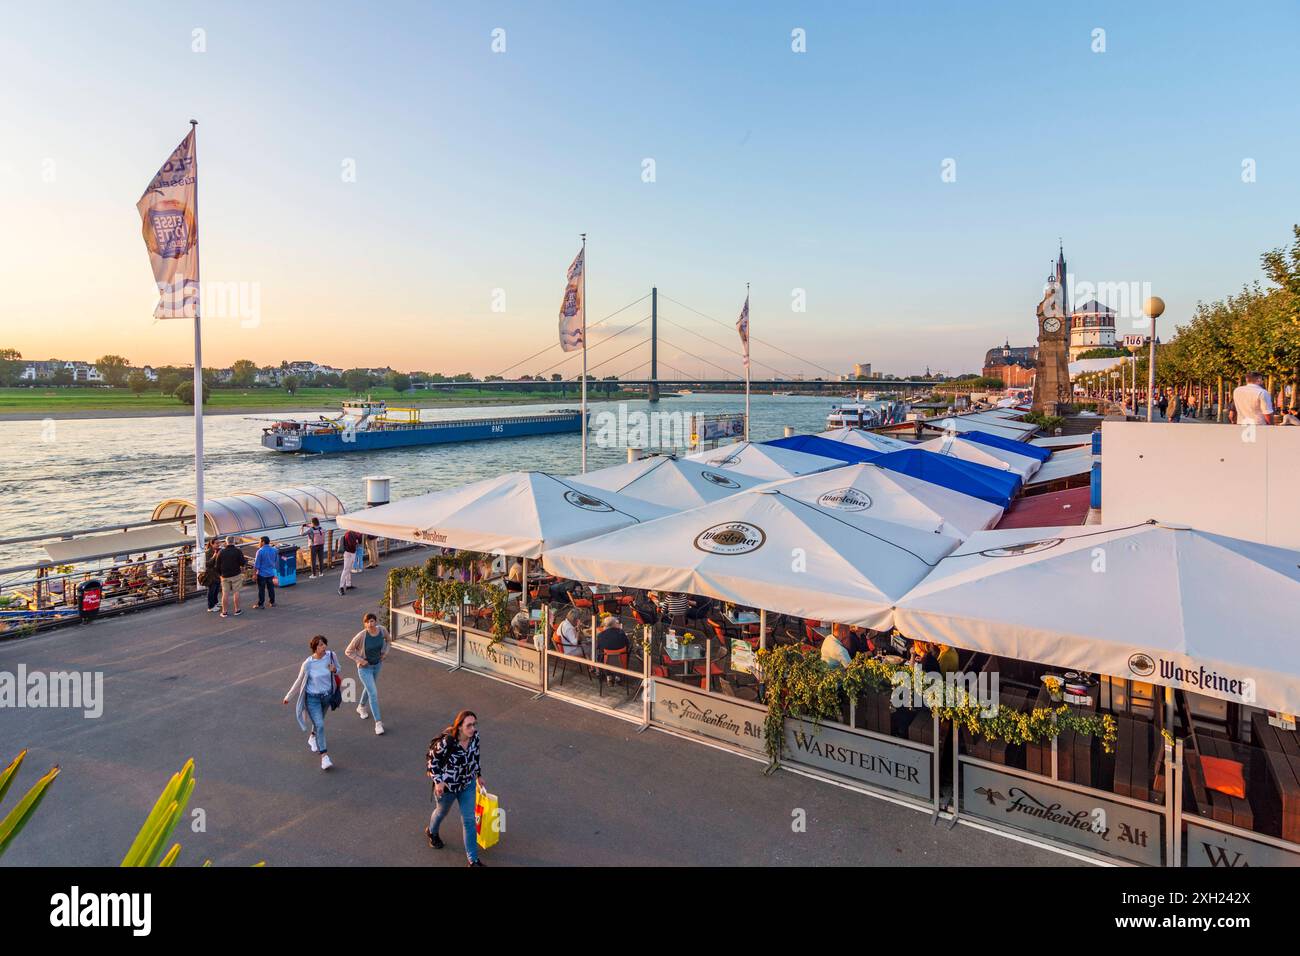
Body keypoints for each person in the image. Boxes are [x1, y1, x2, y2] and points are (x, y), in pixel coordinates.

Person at [426, 710, 486, 866]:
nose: (473, 728)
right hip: (448, 788)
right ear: (459, 727)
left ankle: (473, 861)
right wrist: (438, 781)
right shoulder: (447, 742)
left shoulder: (475, 738)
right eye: (469, 725)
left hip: (467, 785)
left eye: (474, 724)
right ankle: (432, 831)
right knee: (441, 812)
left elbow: (476, 756)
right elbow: (432, 762)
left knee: (469, 821)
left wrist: (478, 774)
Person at [282, 635, 339, 771]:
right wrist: (289, 696)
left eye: (324, 644)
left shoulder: (331, 656)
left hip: (327, 696)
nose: (323, 647)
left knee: (318, 723)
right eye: (320, 645)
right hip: (312, 698)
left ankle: (312, 737)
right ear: (314, 648)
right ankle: (324, 756)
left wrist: (334, 670)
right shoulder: (308, 663)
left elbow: (338, 669)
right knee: (319, 724)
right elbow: (299, 680)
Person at [346, 612, 389, 735]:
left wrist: (385, 653)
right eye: (367, 622)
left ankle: (361, 706)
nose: (370, 624)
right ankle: (378, 723)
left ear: (375, 621)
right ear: (364, 624)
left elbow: (389, 640)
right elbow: (348, 651)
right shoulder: (361, 636)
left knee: (369, 688)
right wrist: (360, 660)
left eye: (372, 621)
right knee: (373, 693)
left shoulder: (382, 630)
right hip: (364, 669)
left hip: (377, 666)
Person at [216, 537, 247, 618]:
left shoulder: (221, 552)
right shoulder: (238, 551)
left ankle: (224, 612)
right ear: (234, 542)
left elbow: (217, 565)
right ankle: (237, 610)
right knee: (236, 592)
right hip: (236, 574)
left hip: (224, 575)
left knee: (225, 594)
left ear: (226, 542)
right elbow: (242, 563)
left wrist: (220, 574)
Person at [595, 615, 629, 682]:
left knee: (600, 654)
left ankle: (608, 675)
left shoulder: (601, 635)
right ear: (614, 624)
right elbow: (627, 645)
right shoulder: (621, 633)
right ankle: (618, 676)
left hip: (607, 663)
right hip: (621, 662)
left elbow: (599, 647)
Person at [253, 535, 278, 609]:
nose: (259, 543)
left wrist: (254, 574)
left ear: (263, 542)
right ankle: (272, 602)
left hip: (262, 574)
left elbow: (256, 564)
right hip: (270, 572)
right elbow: (275, 561)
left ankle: (261, 604)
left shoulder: (260, 551)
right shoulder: (274, 550)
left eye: (260, 541)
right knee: (271, 588)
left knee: (261, 589)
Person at [201, 540, 222, 613]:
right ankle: (210, 606)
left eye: (219, 543)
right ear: (212, 544)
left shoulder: (218, 550)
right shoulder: (207, 552)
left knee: (216, 589)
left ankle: (215, 603)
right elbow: (208, 564)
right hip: (211, 574)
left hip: (217, 573)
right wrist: (214, 555)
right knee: (211, 590)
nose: (218, 544)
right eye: (216, 543)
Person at [338, 529, 361, 596]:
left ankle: (348, 584)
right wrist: (356, 541)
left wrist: (358, 536)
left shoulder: (353, 533)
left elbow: (359, 541)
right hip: (349, 553)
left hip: (351, 552)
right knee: (346, 570)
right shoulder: (349, 534)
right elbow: (353, 544)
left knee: (348, 569)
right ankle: (341, 587)